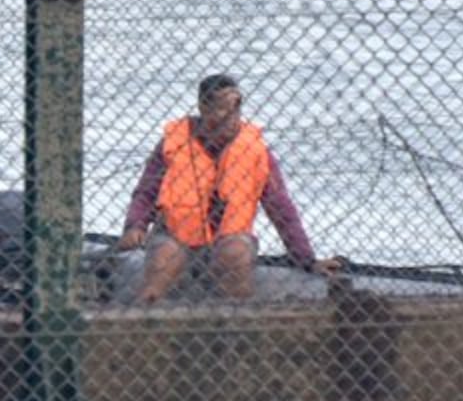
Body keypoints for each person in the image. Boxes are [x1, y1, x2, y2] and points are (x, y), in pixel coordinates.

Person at [117, 72, 337, 302]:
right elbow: (146, 192)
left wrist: (307, 259)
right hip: (176, 237)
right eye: (223, 108)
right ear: (203, 107)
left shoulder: (255, 151)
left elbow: (281, 207)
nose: (232, 117)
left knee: (235, 254)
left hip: (229, 238)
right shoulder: (173, 144)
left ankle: (237, 327)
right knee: (164, 256)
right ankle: (146, 316)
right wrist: (135, 226)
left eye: (237, 108)